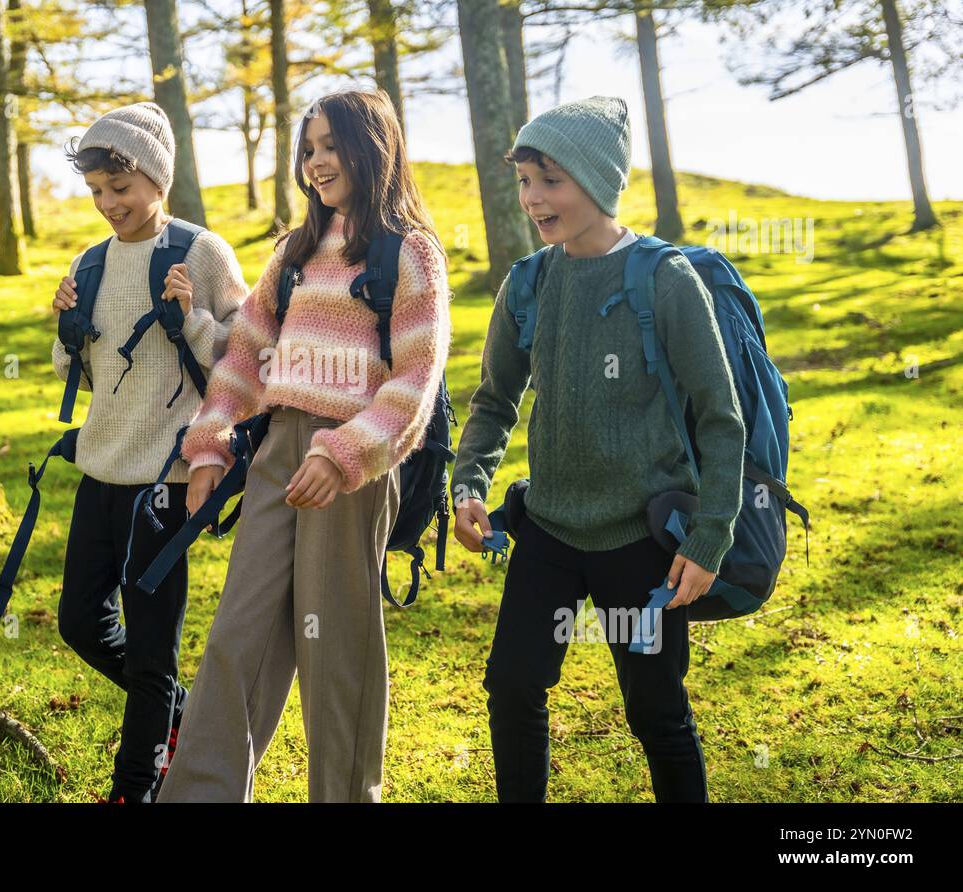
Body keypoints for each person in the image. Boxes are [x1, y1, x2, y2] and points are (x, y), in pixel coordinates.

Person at [156, 89, 452, 802]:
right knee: (238, 635)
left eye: (330, 146)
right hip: (276, 457)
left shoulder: (408, 253)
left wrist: (342, 454)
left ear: (372, 149)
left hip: (352, 467)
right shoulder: (293, 251)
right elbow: (244, 356)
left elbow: (415, 380)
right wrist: (209, 447)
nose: (316, 162)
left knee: (335, 651)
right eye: (308, 149)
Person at [450, 95, 746, 802]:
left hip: (642, 545)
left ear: (597, 179)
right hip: (548, 530)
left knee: (658, 714)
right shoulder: (528, 282)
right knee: (512, 687)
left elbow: (720, 418)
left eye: (550, 180)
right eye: (525, 180)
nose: (532, 198)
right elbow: (494, 401)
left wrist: (709, 537)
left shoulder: (663, 279)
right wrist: (468, 485)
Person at [50, 101, 248, 803]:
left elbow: (246, 357)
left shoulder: (202, 252)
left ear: (157, 180)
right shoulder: (90, 262)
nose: (109, 204)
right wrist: (67, 327)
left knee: (152, 651)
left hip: (164, 482)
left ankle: (134, 789)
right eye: (96, 191)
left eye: (120, 187)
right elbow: (79, 372)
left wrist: (191, 319)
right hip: (100, 471)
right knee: (79, 622)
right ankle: (183, 712)